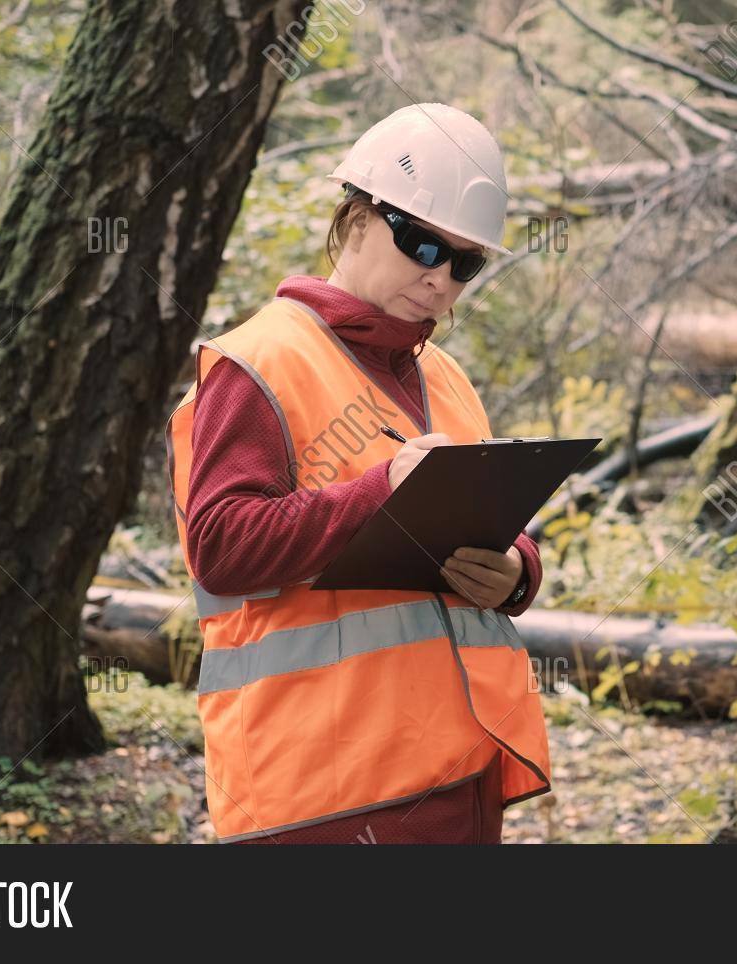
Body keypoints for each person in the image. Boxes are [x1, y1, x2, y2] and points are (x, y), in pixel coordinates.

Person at [166, 103, 551, 843]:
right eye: (422, 244)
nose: (440, 279)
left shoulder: (446, 377)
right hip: (323, 789)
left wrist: (516, 573)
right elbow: (220, 547)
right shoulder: (260, 362)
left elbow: (498, 525)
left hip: (460, 768)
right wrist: (382, 493)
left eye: (465, 262)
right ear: (358, 218)